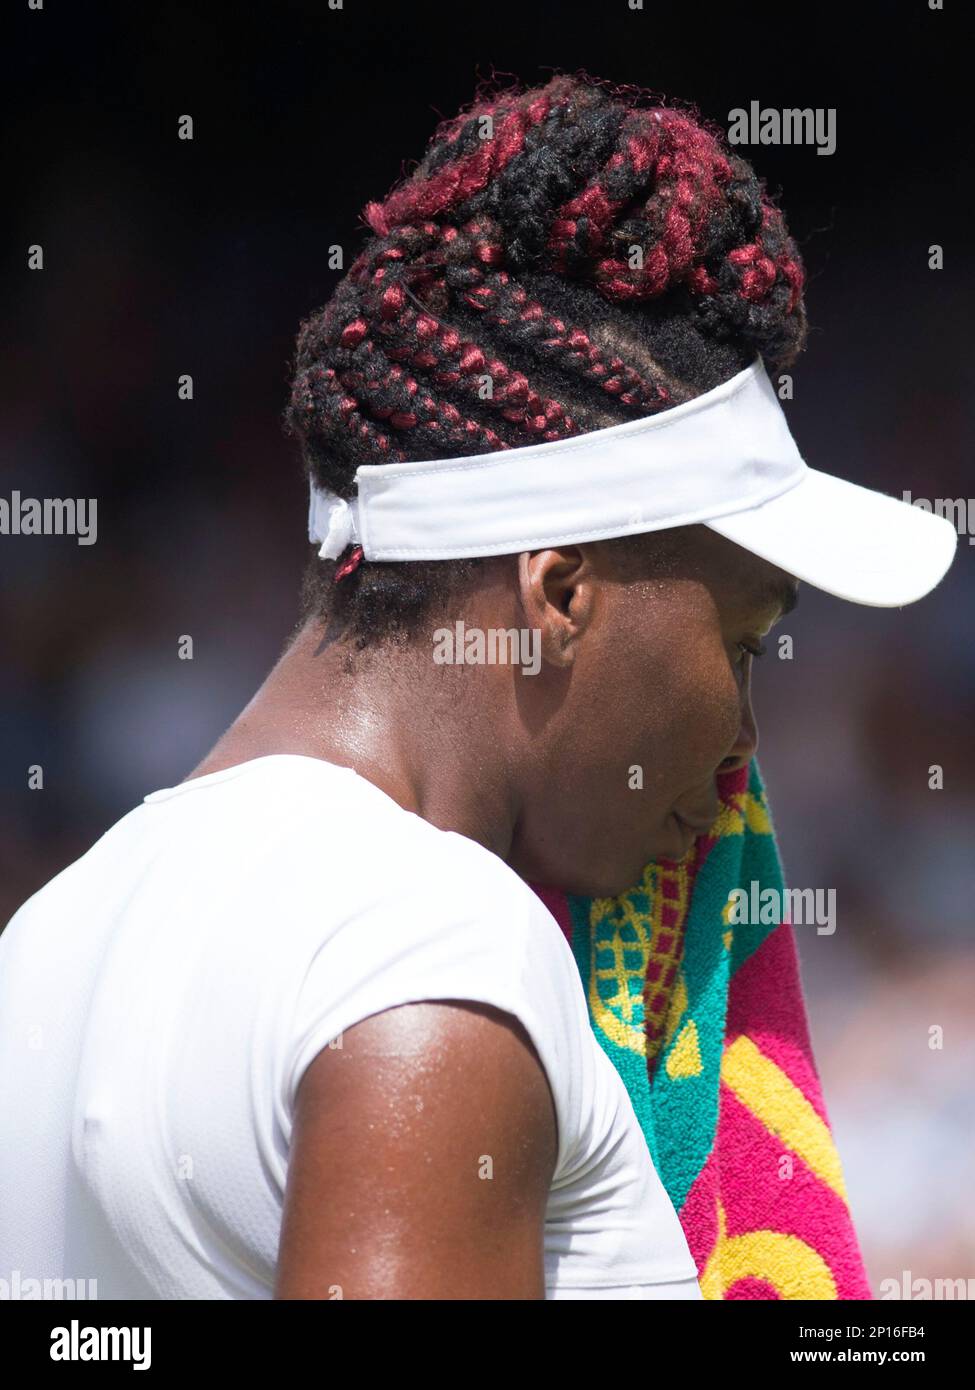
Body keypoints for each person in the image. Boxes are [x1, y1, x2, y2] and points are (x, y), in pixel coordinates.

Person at [0, 74, 956, 1301]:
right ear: (560, 597)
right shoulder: (439, 948)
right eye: (743, 645)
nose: (741, 742)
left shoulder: (52, 937)